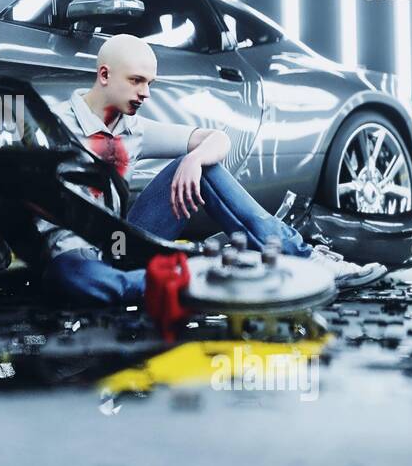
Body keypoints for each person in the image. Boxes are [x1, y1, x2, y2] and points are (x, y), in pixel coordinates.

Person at [39, 33, 388, 305]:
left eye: (150, 83)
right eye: (136, 81)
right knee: (79, 281)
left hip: (122, 245)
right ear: (104, 75)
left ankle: (305, 259)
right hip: (72, 256)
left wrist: (194, 159)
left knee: (205, 168)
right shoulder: (48, 125)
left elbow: (218, 139)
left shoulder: (136, 130)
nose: (146, 93)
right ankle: (205, 278)